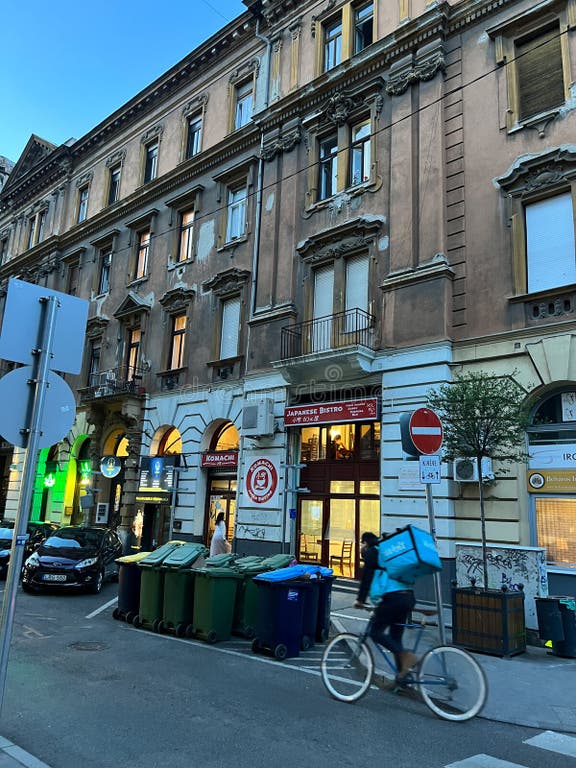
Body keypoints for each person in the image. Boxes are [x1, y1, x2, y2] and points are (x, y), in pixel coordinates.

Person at [354, 531, 417, 678]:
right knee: (395, 639)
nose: (362, 547)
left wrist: (360, 600)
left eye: (362, 543)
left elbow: (367, 577)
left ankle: (406, 656)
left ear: (366, 543)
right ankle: (403, 679)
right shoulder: (387, 553)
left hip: (393, 598)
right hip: (407, 597)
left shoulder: (372, 552)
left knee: (375, 632)